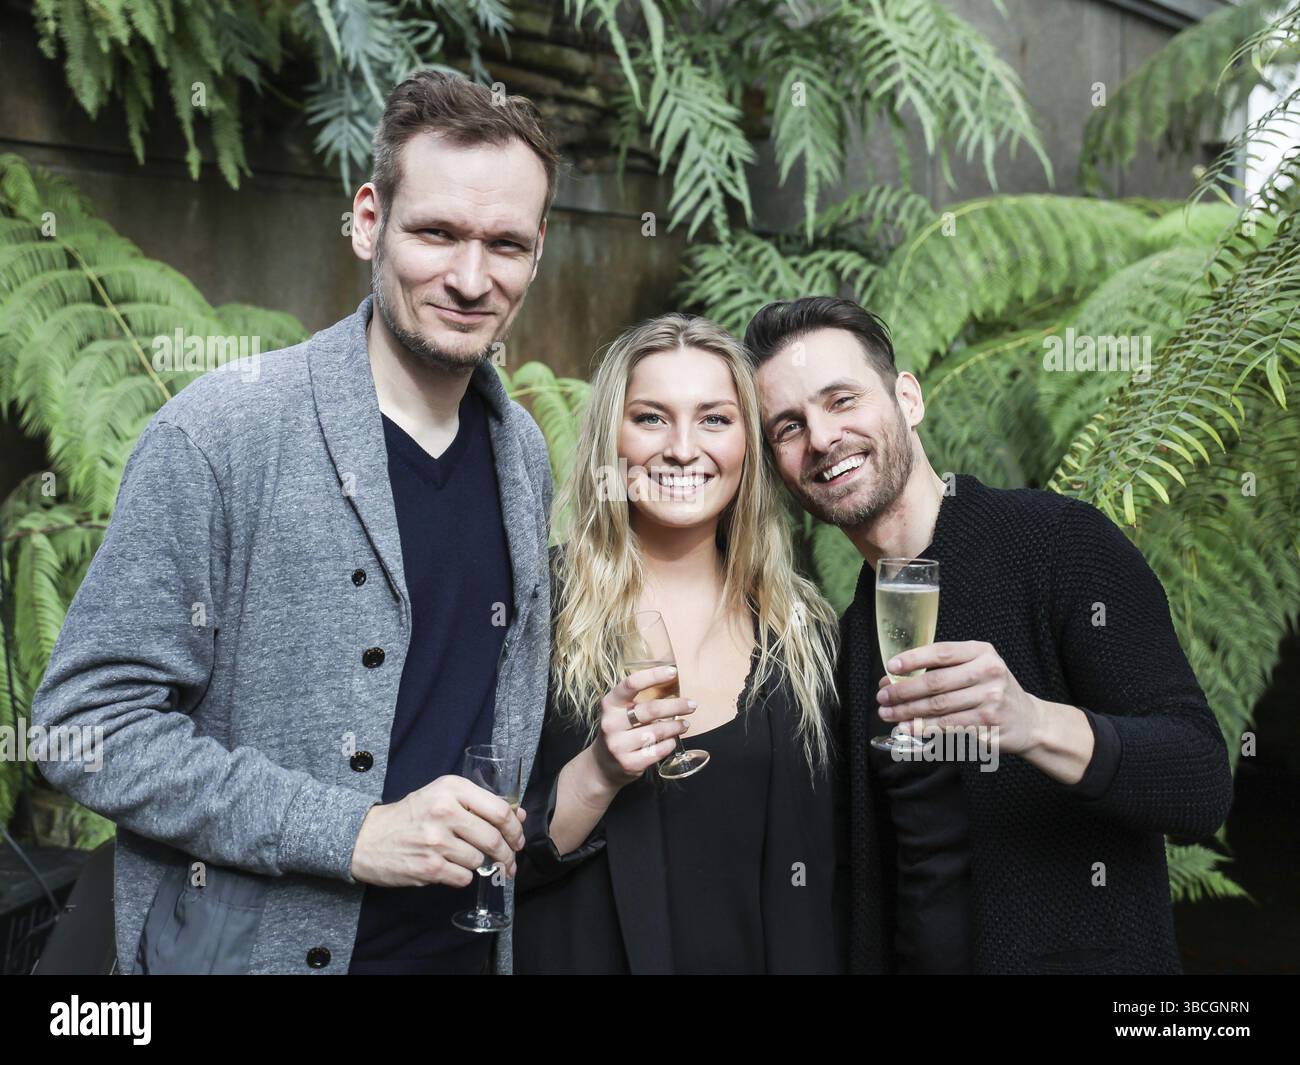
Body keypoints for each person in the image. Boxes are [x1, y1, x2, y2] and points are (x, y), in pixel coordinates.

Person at [31, 71, 558, 975]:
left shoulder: (525, 456)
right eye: (436, 232)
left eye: (504, 243)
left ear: (538, 251)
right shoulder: (221, 433)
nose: (471, 277)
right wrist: (350, 831)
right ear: (367, 221)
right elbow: (84, 726)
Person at [745, 295, 1234, 975]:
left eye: (842, 400)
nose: (822, 438)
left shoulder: (1061, 544)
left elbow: (1202, 784)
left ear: (907, 398)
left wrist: (1033, 722)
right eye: (789, 426)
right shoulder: (855, 635)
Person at [512, 313, 846, 974]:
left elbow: (835, 881)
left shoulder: (802, 633)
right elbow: (475, 868)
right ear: (613, 435)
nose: (683, 448)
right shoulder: (532, 608)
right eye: (651, 417)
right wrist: (598, 773)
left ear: (748, 442)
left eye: (715, 419)